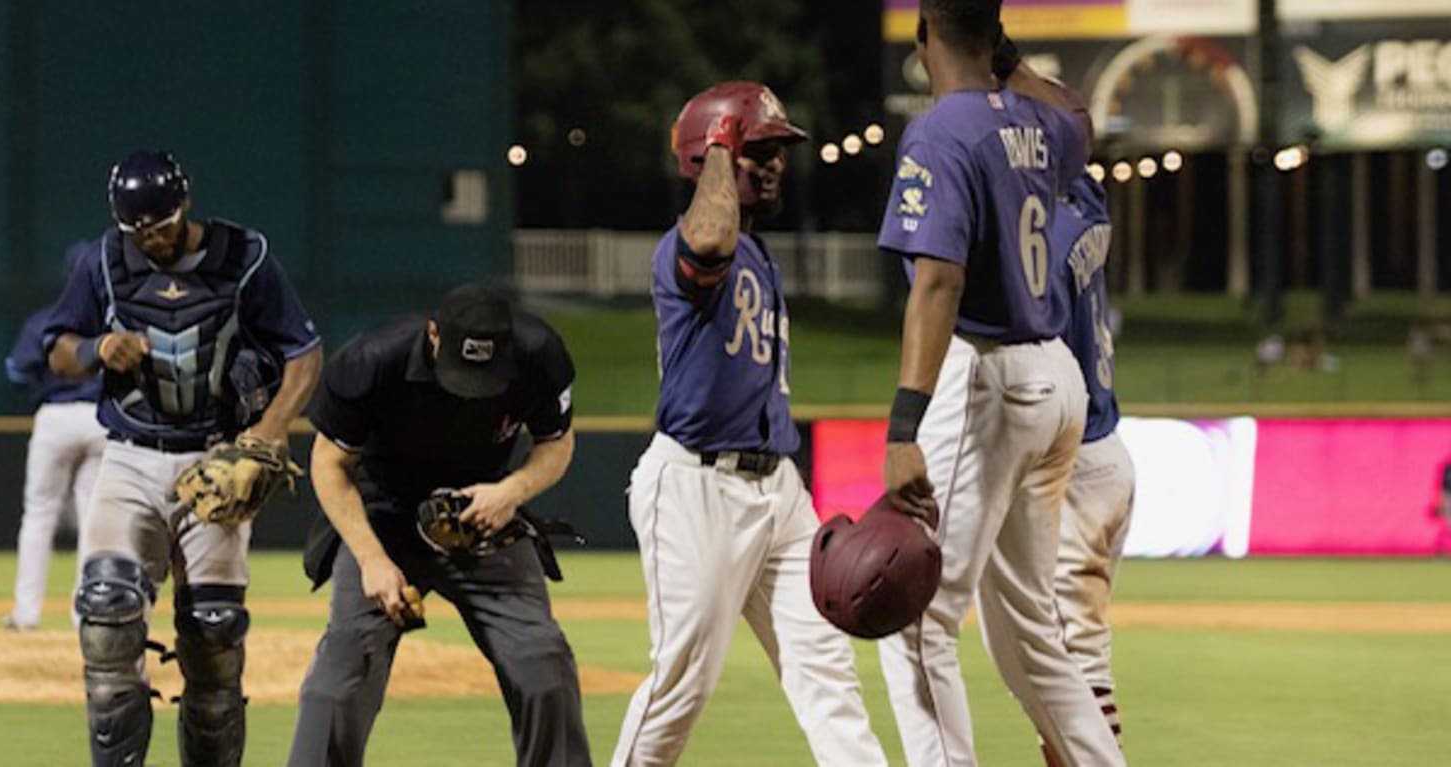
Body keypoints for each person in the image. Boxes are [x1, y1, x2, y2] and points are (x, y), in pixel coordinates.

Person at [873, 3, 1125, 766]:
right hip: (1057, 381)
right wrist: (1005, 61)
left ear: (923, 40)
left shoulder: (941, 130)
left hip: (990, 374)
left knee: (914, 620)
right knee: (1029, 634)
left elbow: (939, 281)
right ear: (996, 38)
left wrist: (903, 425)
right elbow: (1080, 120)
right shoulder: (1036, 124)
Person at [610, 81, 887, 767]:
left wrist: (730, 150)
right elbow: (707, 238)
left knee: (827, 670)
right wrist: (718, 151)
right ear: (710, 156)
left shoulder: (760, 255)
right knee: (683, 684)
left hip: (778, 489)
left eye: (776, 151)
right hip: (697, 484)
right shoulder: (690, 243)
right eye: (755, 149)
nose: (772, 163)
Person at [44, 150, 322, 767]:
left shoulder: (243, 258)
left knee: (215, 634)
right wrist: (98, 346)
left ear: (185, 204)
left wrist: (271, 433)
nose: (153, 238)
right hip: (129, 457)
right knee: (108, 613)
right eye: (140, 229)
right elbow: (57, 351)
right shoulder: (105, 264)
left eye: (163, 223)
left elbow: (304, 353)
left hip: (214, 458)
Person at [287, 283, 590, 767]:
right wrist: (372, 561)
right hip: (384, 515)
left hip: (482, 514)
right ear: (433, 336)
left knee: (543, 664)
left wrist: (510, 492)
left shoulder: (540, 355)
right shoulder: (371, 361)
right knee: (341, 675)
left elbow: (557, 443)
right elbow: (328, 464)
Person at [1051, 171, 1136, 755]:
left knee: (1070, 668)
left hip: (1073, 463)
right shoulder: (1085, 205)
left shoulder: (1045, 238)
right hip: (1107, 452)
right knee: (1065, 664)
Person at [4, 241, 108, 631]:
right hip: (101, 420)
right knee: (93, 519)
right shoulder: (115, 323)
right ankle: (86, 614)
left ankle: (25, 614)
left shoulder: (46, 318)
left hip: (56, 417)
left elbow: (16, 372)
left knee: (39, 514)